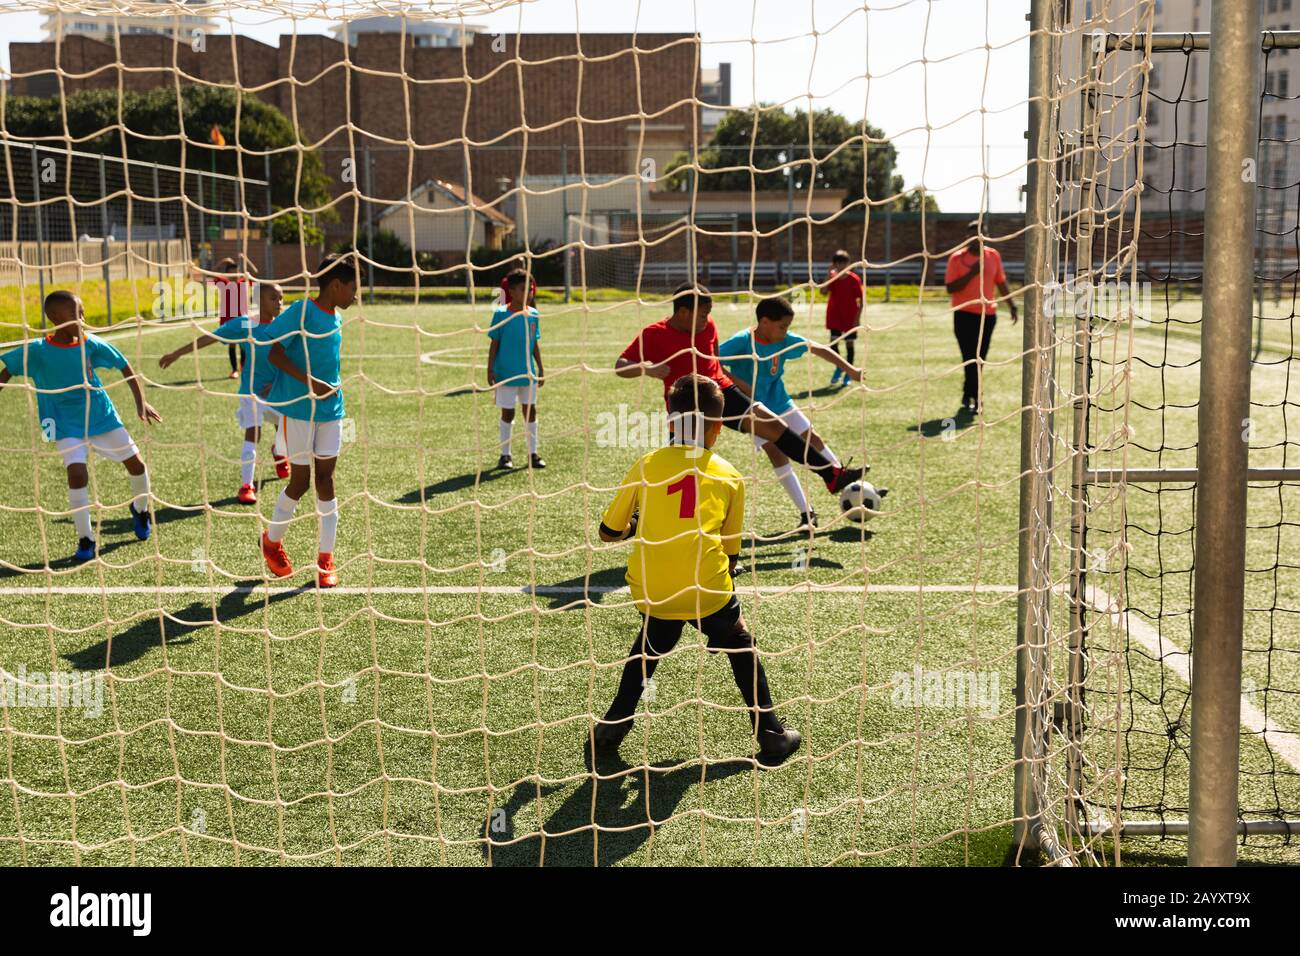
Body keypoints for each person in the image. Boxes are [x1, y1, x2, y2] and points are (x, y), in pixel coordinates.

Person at [593, 373, 801, 766]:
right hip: (706, 588)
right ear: (718, 428)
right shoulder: (729, 475)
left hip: (652, 589)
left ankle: (613, 725)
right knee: (739, 643)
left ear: (670, 421)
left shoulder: (647, 465)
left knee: (651, 643)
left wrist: (638, 525)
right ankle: (771, 733)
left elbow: (608, 533)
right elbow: (731, 552)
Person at [614, 283, 865, 497]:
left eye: (708, 313)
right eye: (703, 314)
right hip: (686, 405)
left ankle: (830, 475)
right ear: (682, 312)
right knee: (685, 468)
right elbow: (620, 366)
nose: (707, 319)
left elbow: (714, 361)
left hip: (721, 391)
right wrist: (647, 369)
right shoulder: (654, 334)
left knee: (775, 425)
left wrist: (733, 382)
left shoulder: (708, 325)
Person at [0, 291, 161, 562]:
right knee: (76, 473)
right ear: (54, 318)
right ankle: (85, 538)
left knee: (137, 466)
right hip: (63, 421)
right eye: (76, 315)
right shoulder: (37, 351)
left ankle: (140, 509)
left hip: (101, 415)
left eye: (83, 313)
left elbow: (125, 367)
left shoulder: (91, 344)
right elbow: (7, 372)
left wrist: (140, 402)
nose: (83, 320)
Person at [255, 253, 357, 588]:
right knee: (300, 482)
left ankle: (326, 560)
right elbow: (272, 350)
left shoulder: (335, 318)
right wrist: (308, 381)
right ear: (337, 285)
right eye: (354, 287)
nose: (357, 295)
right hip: (299, 410)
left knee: (326, 480)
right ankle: (271, 542)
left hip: (331, 410)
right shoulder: (301, 311)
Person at [719, 296, 862, 530]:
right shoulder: (742, 341)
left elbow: (818, 349)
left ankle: (847, 484)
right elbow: (712, 360)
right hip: (755, 410)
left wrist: (850, 370)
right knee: (777, 453)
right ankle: (807, 512)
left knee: (812, 438)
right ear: (764, 322)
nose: (786, 332)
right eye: (782, 326)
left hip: (781, 402)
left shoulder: (784, 340)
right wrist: (737, 384)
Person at [158, 281, 289, 504]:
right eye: (273, 298)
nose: (279, 303)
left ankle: (278, 450)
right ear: (258, 301)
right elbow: (210, 337)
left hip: (278, 392)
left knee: (285, 432)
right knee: (252, 434)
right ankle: (246, 485)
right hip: (251, 392)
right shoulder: (245, 324)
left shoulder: (285, 326)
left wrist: (279, 382)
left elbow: (294, 357)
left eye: (281, 298)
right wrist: (177, 353)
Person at [944, 220, 1018, 414]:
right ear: (967, 238)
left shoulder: (993, 256)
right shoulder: (956, 259)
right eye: (972, 234)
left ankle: (971, 396)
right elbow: (950, 288)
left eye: (981, 234)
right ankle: (974, 397)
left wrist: (1011, 305)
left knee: (980, 358)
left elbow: (1000, 282)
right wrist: (972, 272)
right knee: (969, 357)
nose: (977, 238)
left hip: (987, 316)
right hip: (963, 315)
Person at [487, 269, 545, 469]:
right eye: (523, 289)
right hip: (506, 373)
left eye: (530, 289)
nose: (528, 293)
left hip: (528, 373)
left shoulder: (534, 314)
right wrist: (490, 369)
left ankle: (533, 454)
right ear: (511, 291)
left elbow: (534, 343)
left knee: (531, 411)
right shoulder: (501, 314)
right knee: (508, 413)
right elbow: (494, 343)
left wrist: (541, 368)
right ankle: (505, 455)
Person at [823, 249, 863, 388]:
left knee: (849, 344)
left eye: (843, 263)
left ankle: (848, 373)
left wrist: (857, 318)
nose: (841, 266)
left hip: (850, 317)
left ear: (848, 264)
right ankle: (840, 366)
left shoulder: (854, 279)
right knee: (833, 344)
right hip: (834, 316)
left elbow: (861, 300)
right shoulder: (832, 277)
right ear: (834, 264)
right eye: (838, 263)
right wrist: (829, 274)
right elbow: (823, 291)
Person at [214, 254, 257, 380]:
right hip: (228, 318)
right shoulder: (223, 282)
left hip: (243, 318)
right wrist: (222, 261)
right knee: (232, 344)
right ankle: (234, 370)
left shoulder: (244, 282)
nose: (235, 276)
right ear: (227, 274)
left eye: (237, 273)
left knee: (244, 344)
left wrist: (246, 260)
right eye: (232, 274)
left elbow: (255, 272)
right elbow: (209, 273)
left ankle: (243, 368)